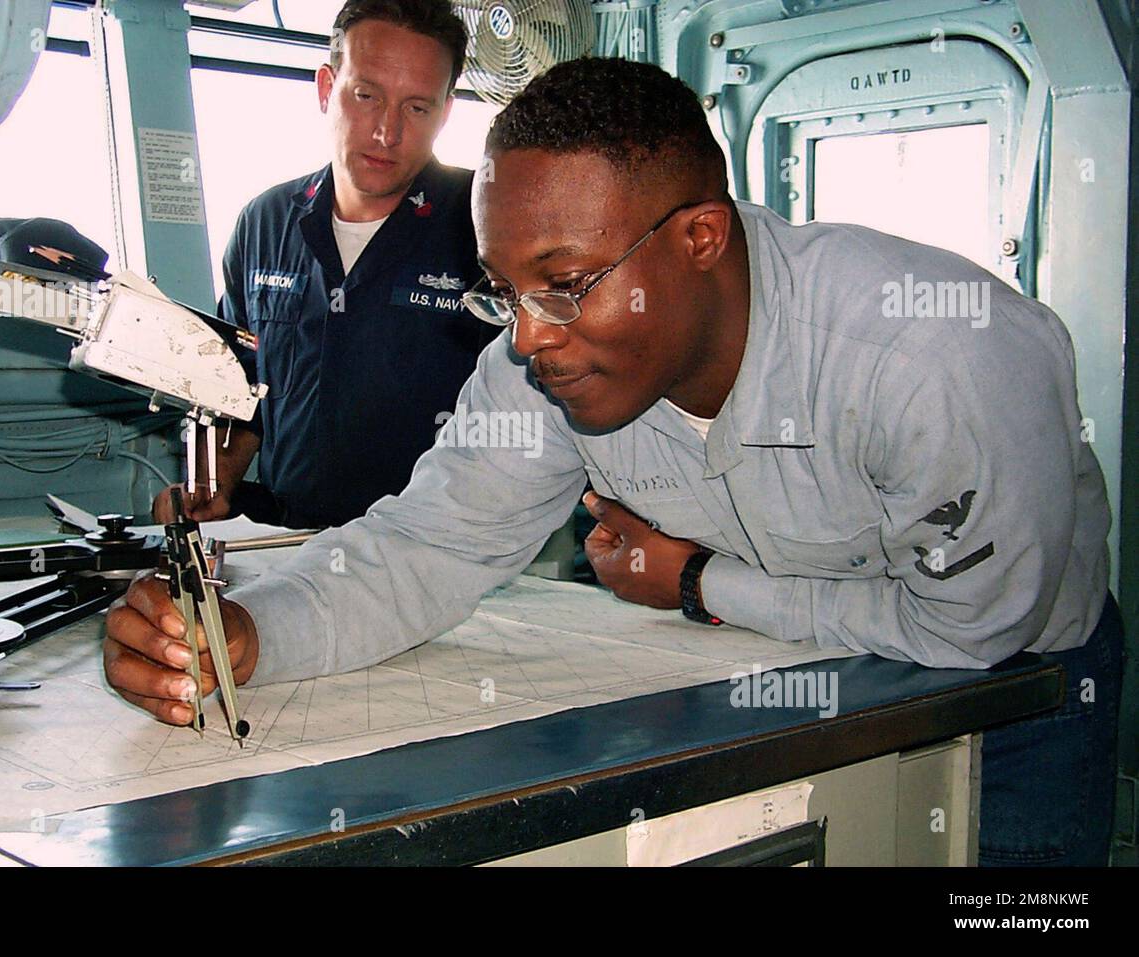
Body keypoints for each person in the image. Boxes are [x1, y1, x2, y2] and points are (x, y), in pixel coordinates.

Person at [107, 57, 1122, 866]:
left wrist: (697, 582)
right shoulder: (544, 360)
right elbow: (425, 546)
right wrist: (248, 633)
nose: (527, 335)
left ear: (699, 239)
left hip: (1018, 683)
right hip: (791, 663)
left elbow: (972, 630)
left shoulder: (935, 356)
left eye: (564, 283)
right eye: (500, 288)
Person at [154, 0, 493, 529]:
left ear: (445, 113)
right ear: (324, 89)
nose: (387, 132)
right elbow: (240, 384)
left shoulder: (488, 223)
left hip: (437, 553)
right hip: (288, 545)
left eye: (417, 108)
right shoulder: (264, 224)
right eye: (366, 96)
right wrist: (212, 485)